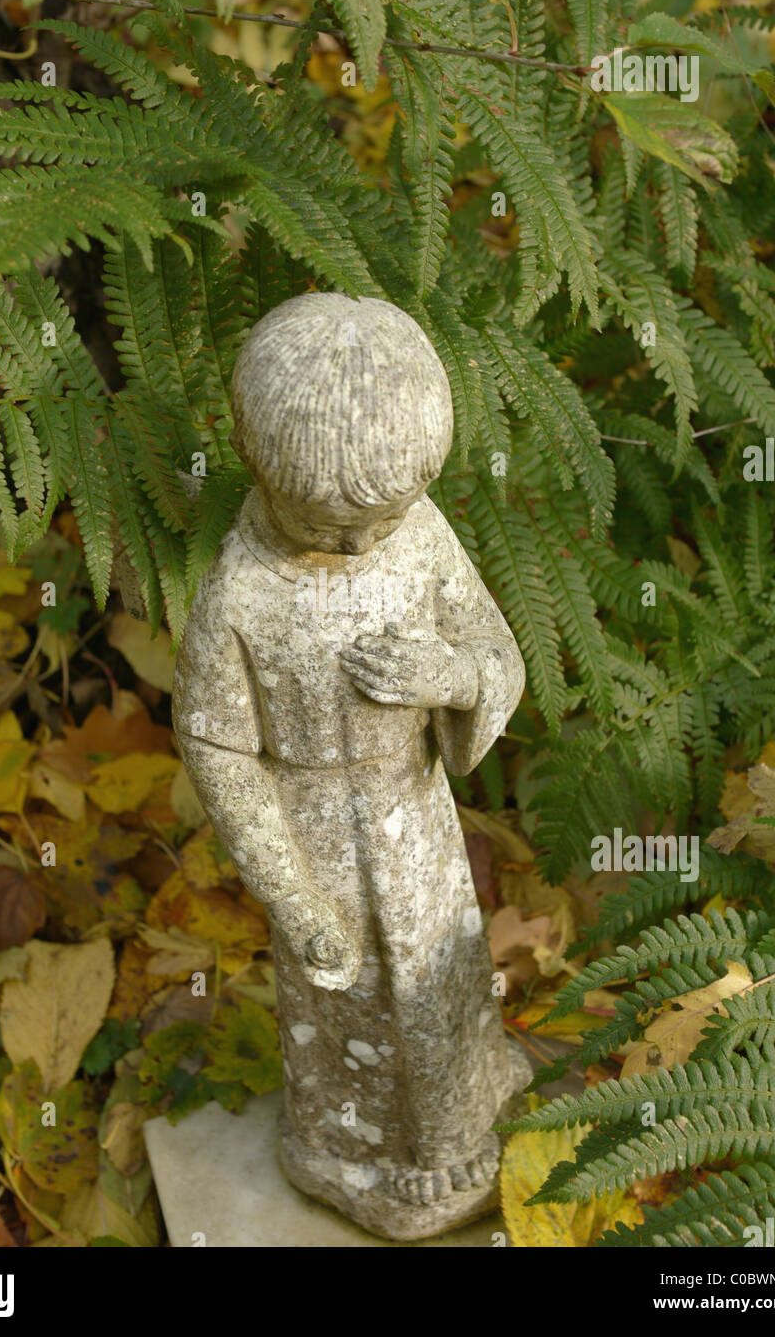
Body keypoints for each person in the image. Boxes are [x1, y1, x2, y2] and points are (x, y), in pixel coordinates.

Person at [173, 292, 528, 1238]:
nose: (361, 543)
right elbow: (214, 739)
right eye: (328, 525)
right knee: (336, 1001)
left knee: (436, 982)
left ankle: (456, 1136)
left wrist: (451, 678)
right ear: (260, 468)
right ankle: (345, 1148)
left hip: (411, 818)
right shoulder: (244, 591)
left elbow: (496, 652)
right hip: (310, 833)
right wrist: (287, 890)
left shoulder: (420, 539)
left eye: (385, 516)